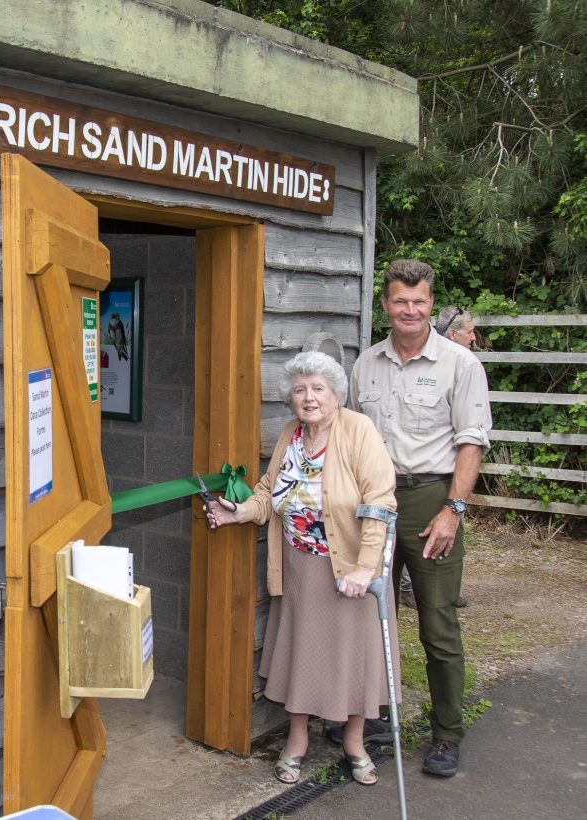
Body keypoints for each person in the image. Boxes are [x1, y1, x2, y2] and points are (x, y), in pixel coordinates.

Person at [205, 351, 398, 787]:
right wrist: (240, 512)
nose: (308, 398)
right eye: (299, 389)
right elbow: (271, 488)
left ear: (335, 395)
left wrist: (365, 570)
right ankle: (297, 742)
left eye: (317, 389)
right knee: (301, 654)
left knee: (353, 657)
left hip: (349, 567)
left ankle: (354, 742)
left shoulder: (358, 431)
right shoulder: (292, 433)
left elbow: (380, 504)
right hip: (298, 564)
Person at [349, 259, 492, 778]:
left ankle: (446, 734)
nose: (410, 310)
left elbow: (471, 443)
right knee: (370, 618)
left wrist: (453, 511)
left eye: (420, 301)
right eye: (400, 301)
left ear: (432, 304)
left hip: (432, 501)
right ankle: (376, 717)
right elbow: (350, 441)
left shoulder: (459, 364)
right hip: (373, 504)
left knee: (437, 624)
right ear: (385, 305)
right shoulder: (365, 365)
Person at [398, 304, 478, 609]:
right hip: (415, 479)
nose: (474, 337)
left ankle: (444, 587)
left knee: (447, 525)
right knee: (417, 531)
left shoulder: (465, 364)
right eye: (469, 331)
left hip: (447, 474)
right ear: (454, 333)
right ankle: (411, 587)